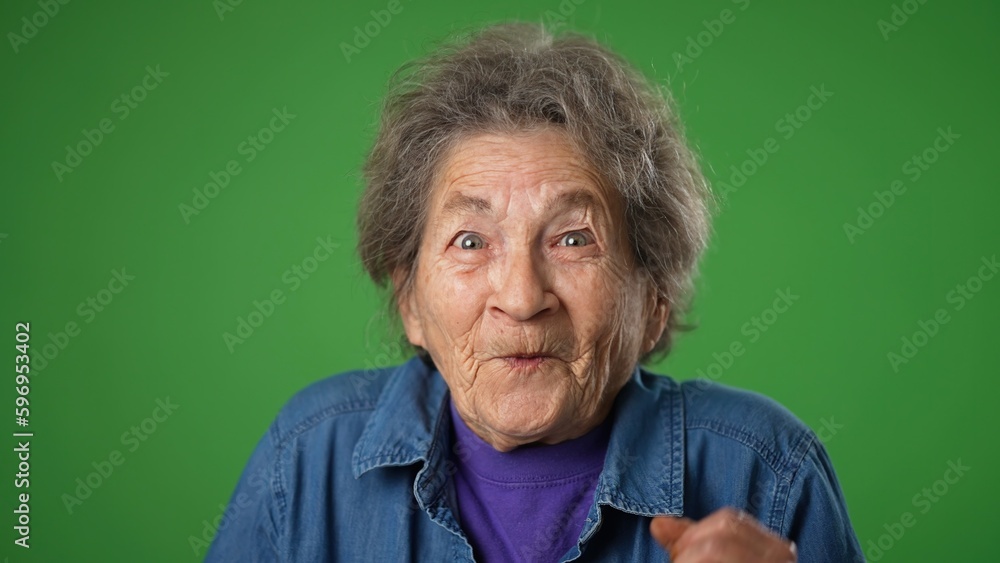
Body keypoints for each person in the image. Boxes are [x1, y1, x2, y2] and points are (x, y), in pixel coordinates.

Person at [207, 21, 862, 562]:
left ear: (653, 300)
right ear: (409, 302)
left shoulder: (767, 471)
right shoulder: (307, 458)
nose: (521, 299)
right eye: (470, 241)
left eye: (573, 239)